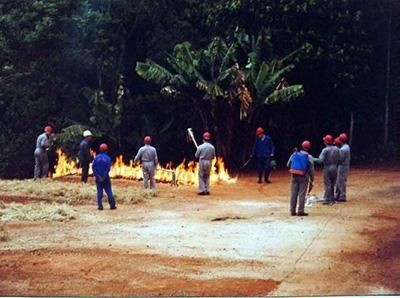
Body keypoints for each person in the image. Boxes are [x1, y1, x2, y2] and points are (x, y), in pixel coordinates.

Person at [287, 140, 314, 216]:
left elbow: (288, 164)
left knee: (293, 193)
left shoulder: (294, 154)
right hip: (304, 177)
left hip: (294, 175)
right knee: (302, 194)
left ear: (302, 146)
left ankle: (292, 211)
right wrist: (312, 179)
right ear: (309, 148)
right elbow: (311, 170)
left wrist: (293, 170)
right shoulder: (309, 157)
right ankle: (300, 211)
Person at [92, 143, 116, 210]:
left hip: (98, 178)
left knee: (99, 191)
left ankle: (100, 206)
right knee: (109, 191)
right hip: (105, 178)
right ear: (106, 150)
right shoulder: (108, 158)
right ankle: (112, 205)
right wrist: (104, 176)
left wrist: (97, 175)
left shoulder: (96, 158)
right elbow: (108, 169)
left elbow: (93, 167)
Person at [318, 134, 340, 205]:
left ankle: (327, 199)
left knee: (327, 184)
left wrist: (312, 159)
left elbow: (320, 160)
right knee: (333, 184)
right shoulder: (337, 149)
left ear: (326, 142)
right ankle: (332, 199)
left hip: (327, 168)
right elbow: (340, 159)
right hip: (335, 167)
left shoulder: (325, 150)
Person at [335, 133, 351, 202]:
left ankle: (342, 196)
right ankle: (338, 195)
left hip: (342, 166)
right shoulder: (347, 147)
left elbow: (340, 159)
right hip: (345, 165)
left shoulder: (343, 149)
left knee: (341, 181)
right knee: (340, 180)